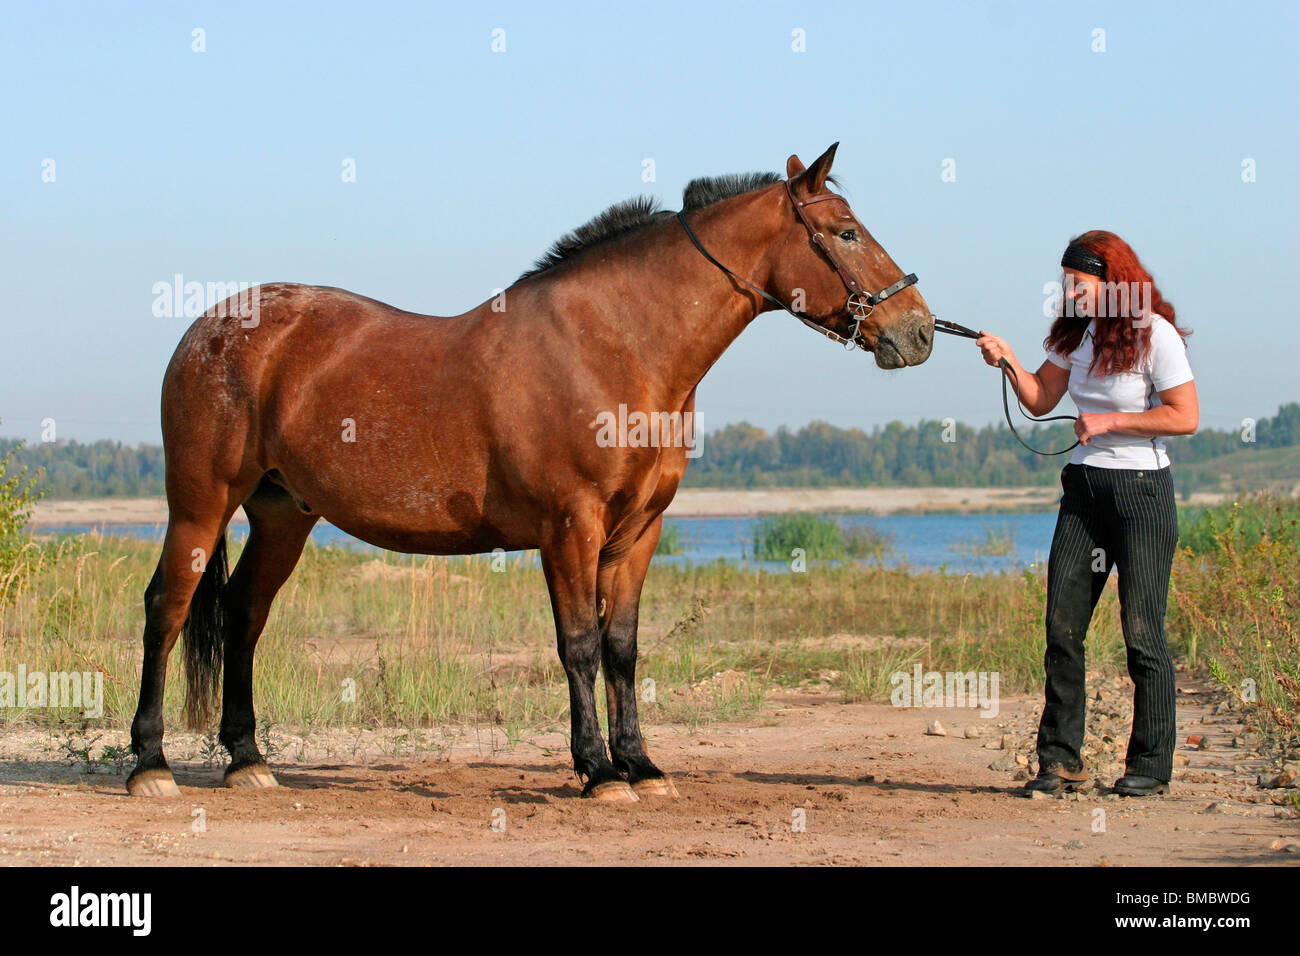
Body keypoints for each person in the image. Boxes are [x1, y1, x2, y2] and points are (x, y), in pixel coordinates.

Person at [976, 230, 1198, 797]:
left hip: (1143, 496)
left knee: (1142, 632)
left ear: (1113, 283)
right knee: (1062, 626)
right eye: (1067, 283)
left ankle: (1149, 765)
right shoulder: (1075, 338)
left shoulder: (1156, 334)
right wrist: (1008, 361)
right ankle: (1061, 760)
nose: (1070, 292)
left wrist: (1111, 422)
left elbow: (1184, 417)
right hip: (1083, 493)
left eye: (1079, 283)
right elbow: (1040, 399)